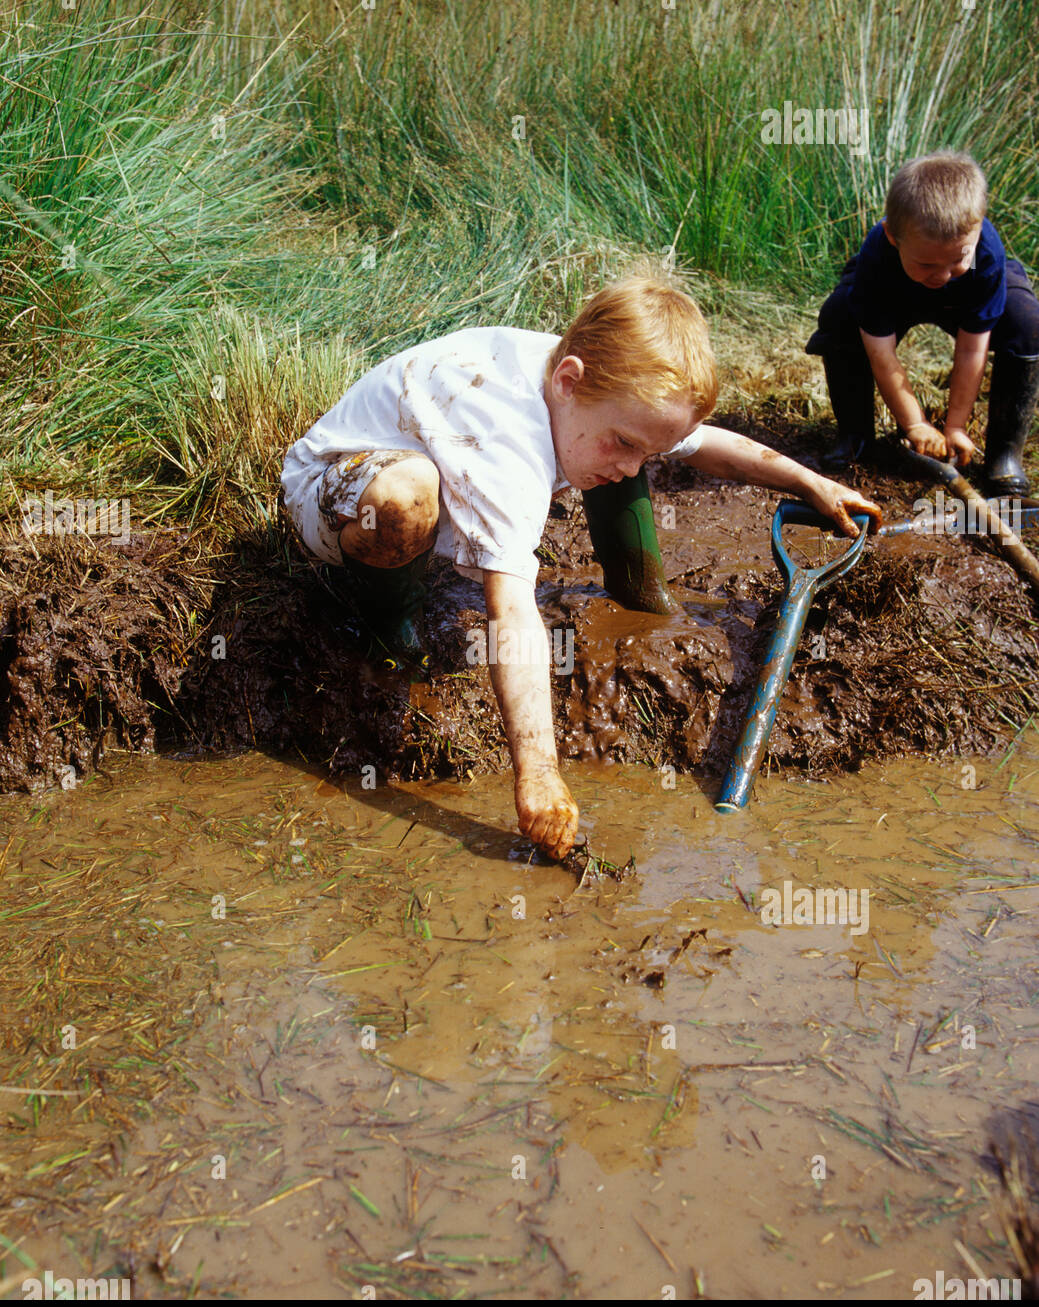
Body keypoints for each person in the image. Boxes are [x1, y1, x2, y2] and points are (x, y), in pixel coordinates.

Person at [282, 273, 880, 860]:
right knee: (406, 500)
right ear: (568, 381)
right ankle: (389, 622)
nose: (633, 464)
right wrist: (538, 774)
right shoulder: (508, 444)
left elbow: (707, 446)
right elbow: (510, 612)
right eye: (625, 440)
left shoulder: (595, 390)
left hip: (448, 461)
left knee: (610, 463)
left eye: (649, 447)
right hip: (335, 492)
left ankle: (641, 592)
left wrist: (810, 482)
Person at [807, 150, 1039, 497]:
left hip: (969, 296)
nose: (943, 275)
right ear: (892, 237)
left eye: (958, 258)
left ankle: (1003, 456)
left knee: (1027, 323)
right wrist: (914, 423)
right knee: (840, 315)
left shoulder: (985, 252)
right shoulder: (878, 255)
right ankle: (855, 436)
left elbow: (971, 348)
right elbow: (881, 354)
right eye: (928, 264)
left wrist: (955, 426)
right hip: (893, 291)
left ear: (977, 231)